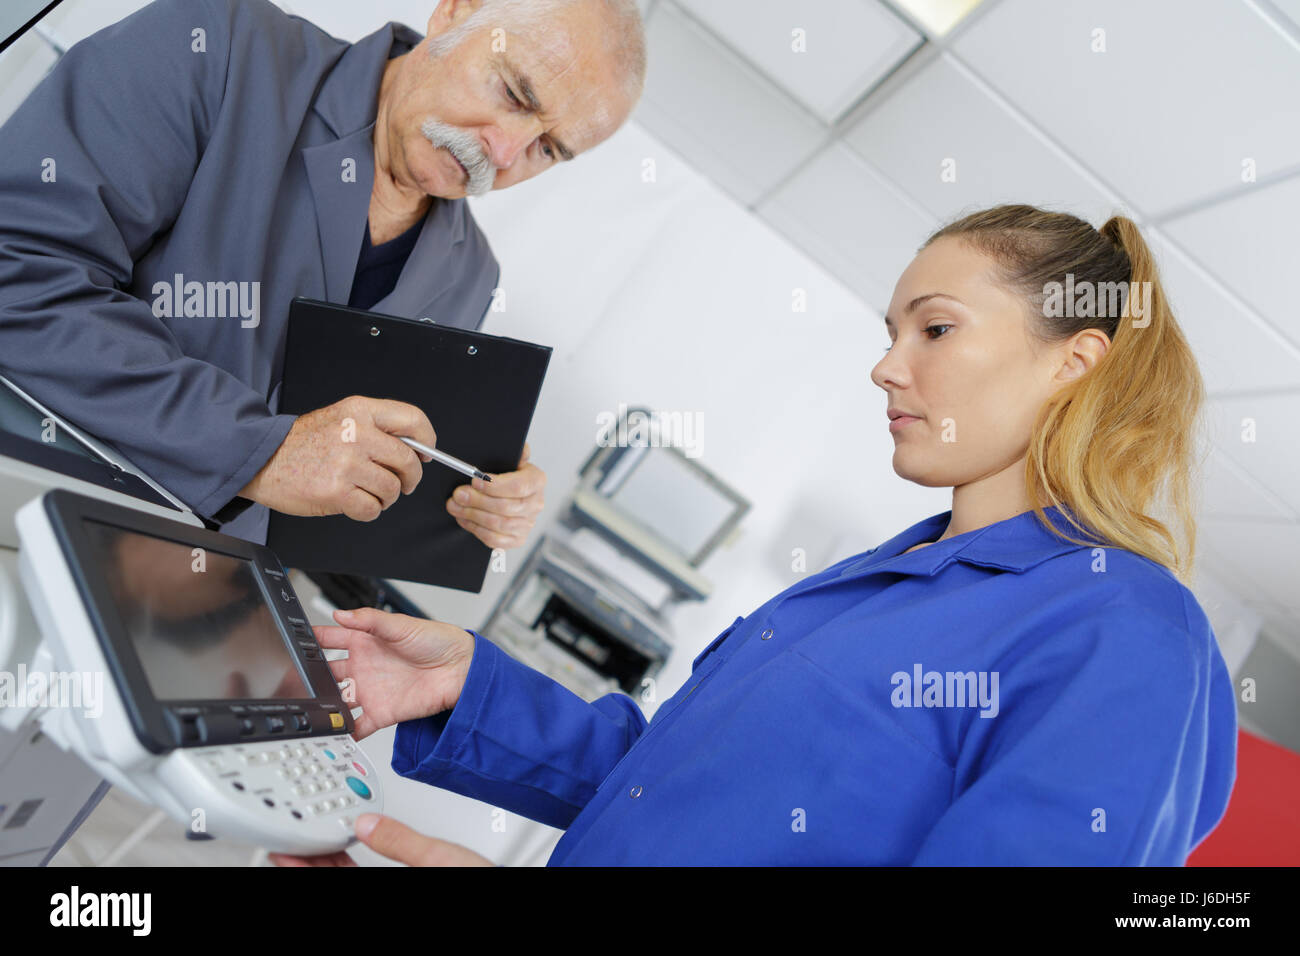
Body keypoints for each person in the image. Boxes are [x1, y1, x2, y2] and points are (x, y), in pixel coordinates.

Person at [271, 204, 1238, 866]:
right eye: (890, 330)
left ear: (1074, 361)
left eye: (934, 330)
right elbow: (686, 794)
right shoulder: (889, 579)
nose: (885, 368)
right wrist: (470, 687)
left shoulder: (1130, 631)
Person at [0, 0, 646, 548]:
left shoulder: (470, 275)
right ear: (458, 10)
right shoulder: (216, 46)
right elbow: (18, 271)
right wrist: (253, 448)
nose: (502, 152)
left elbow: (338, 495)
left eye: (547, 149)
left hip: (187, 611)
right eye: (512, 93)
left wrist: (473, 498)